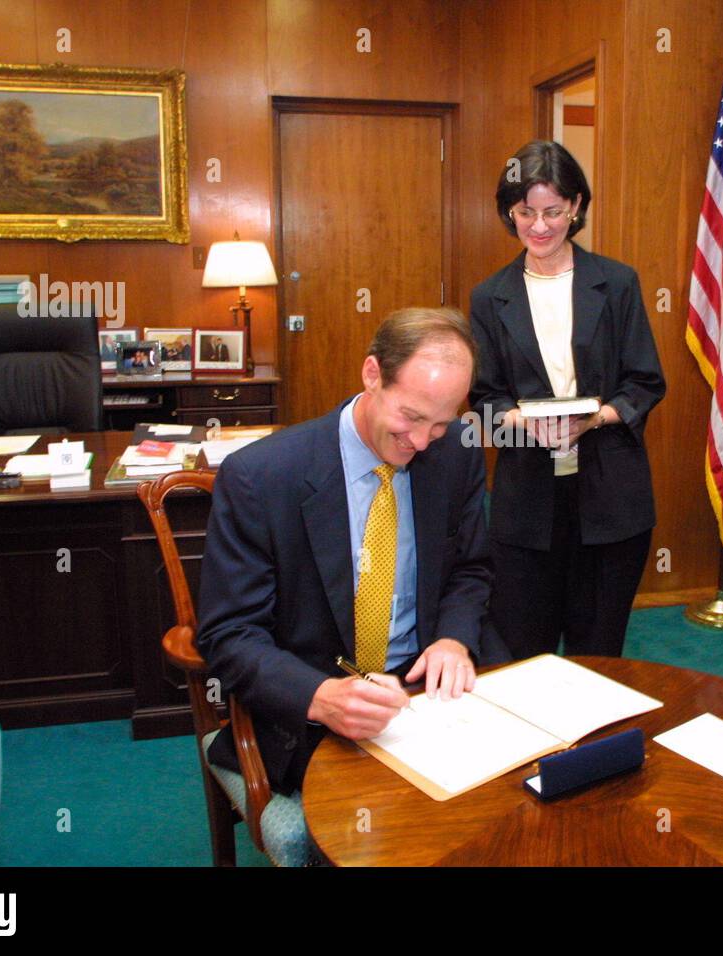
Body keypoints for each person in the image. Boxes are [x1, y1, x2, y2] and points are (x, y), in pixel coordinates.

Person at [196, 307, 508, 795]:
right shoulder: (261, 477)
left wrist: (451, 639)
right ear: (371, 375)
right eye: (411, 417)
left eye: (441, 424)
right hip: (314, 706)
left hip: (426, 692)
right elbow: (229, 634)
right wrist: (320, 697)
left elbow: (470, 569)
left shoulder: (456, 454)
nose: (423, 442)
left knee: (518, 792)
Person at [469, 140, 666, 660]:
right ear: (509, 212)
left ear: (576, 206)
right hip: (526, 505)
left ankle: (598, 747)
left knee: (598, 654)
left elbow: (645, 382)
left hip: (610, 500)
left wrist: (596, 418)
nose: (539, 226)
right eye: (525, 212)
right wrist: (520, 421)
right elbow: (483, 396)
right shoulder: (489, 296)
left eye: (553, 211)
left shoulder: (617, 283)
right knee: (521, 654)